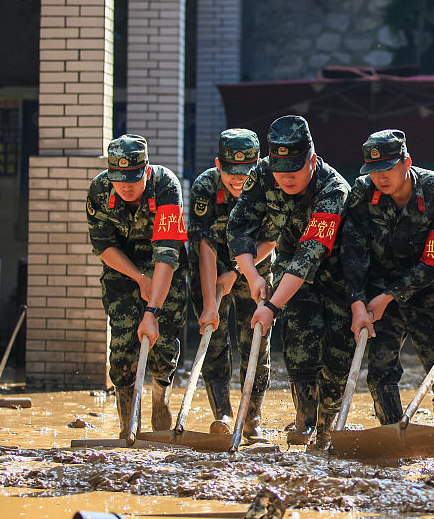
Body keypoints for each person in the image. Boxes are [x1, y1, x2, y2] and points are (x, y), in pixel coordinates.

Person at [226, 116, 353, 448]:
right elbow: (239, 227)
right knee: (298, 349)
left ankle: (327, 429)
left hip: (338, 273)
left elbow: (310, 254)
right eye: (280, 172)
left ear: (312, 160)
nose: (285, 179)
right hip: (289, 268)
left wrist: (270, 306)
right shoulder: (262, 174)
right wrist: (253, 275)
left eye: (294, 172)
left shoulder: (332, 188)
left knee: (337, 354)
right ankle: (306, 421)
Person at [341, 129, 434, 429]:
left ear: (407, 162)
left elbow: (432, 262)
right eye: (374, 171)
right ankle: (392, 432)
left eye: (388, 168)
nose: (381, 177)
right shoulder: (362, 193)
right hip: (378, 291)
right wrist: (357, 302)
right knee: (380, 371)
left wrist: (388, 296)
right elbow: (353, 250)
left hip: (433, 293)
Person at [86, 134, 189, 438]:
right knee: (121, 343)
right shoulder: (100, 189)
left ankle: (160, 394)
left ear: (145, 170)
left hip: (163, 267)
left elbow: (168, 253)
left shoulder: (166, 186)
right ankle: (127, 424)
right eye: (119, 179)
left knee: (164, 343)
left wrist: (153, 308)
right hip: (123, 270)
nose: (126, 186)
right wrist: (139, 278)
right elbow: (103, 246)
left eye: (132, 178)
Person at [187, 129, 276, 435]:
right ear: (218, 164)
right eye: (230, 172)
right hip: (212, 268)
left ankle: (252, 417)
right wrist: (211, 302)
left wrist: (237, 273)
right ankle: (223, 415)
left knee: (256, 341)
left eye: (245, 172)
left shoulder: (270, 183)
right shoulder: (206, 187)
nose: (238, 180)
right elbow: (205, 246)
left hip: (255, 266)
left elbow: (269, 240)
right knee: (214, 339)